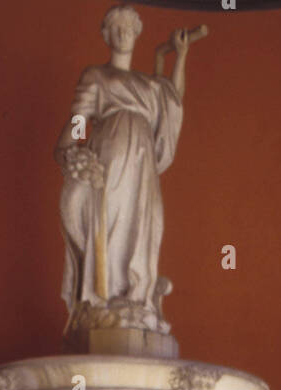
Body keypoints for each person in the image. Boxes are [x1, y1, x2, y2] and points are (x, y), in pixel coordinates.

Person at [55, 5, 190, 338]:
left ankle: (138, 299)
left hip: (143, 162)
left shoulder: (148, 84)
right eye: (116, 28)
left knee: (147, 223)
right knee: (113, 222)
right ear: (106, 35)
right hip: (111, 155)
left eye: (129, 28)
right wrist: (69, 143)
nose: (123, 33)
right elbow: (80, 117)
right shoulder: (96, 76)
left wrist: (182, 56)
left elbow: (173, 101)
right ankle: (108, 300)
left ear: (137, 33)